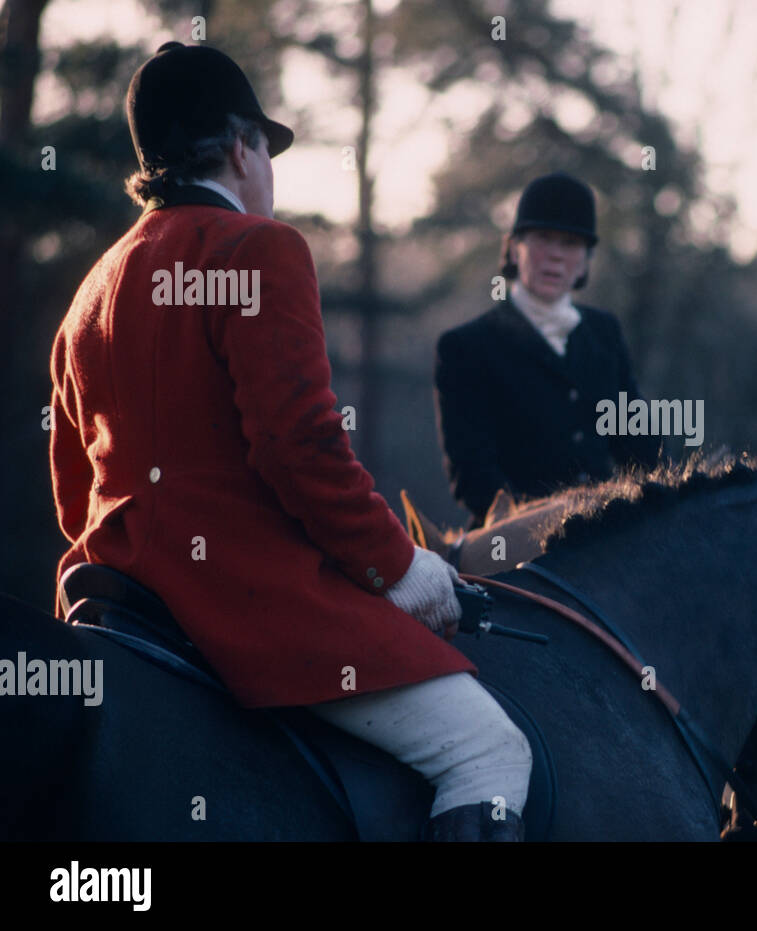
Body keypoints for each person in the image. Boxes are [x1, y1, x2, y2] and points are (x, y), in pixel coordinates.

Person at [48, 42, 529, 841]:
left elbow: (73, 494)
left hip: (115, 606)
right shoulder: (258, 249)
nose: (269, 168)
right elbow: (299, 444)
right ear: (242, 146)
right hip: (251, 610)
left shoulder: (91, 290)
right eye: (266, 148)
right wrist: (401, 566)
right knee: (489, 751)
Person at [435, 172, 661, 529]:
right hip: (515, 545)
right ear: (514, 247)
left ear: (585, 260)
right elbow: (472, 477)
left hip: (604, 533)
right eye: (543, 238)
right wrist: (545, 524)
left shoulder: (604, 333)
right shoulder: (466, 347)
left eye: (570, 243)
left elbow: (639, 445)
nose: (555, 255)